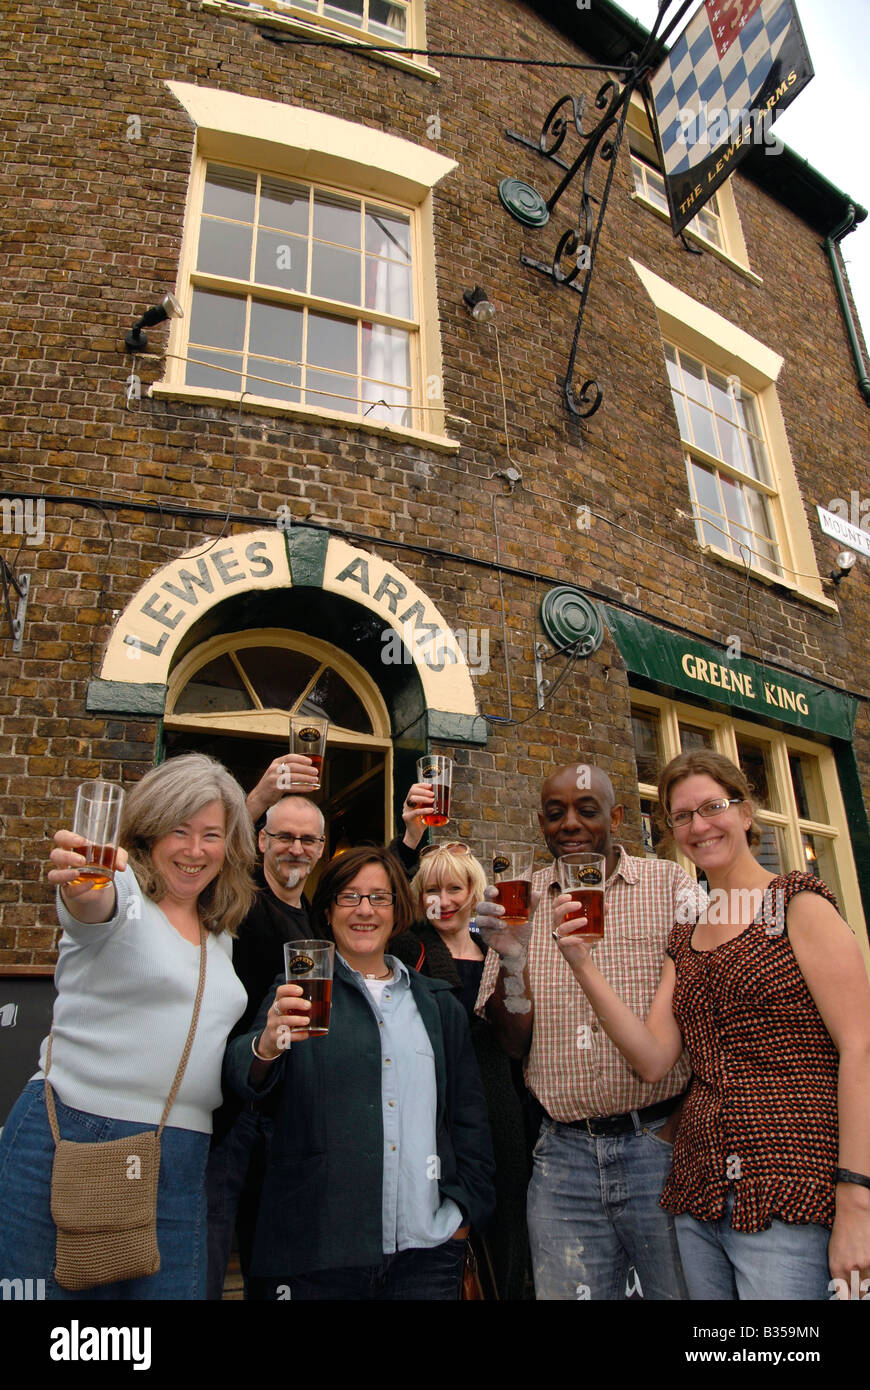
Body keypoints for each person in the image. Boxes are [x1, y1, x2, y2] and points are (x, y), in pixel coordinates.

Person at [551, 750, 870, 1301]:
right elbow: (653, 1059)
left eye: (712, 807)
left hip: (792, 1184)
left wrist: (858, 1198)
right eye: (681, 816)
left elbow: (860, 1049)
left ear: (745, 813)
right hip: (698, 1190)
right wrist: (582, 964)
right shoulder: (688, 931)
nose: (698, 826)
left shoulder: (797, 903)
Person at [0, 753, 256, 1300]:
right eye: (179, 831)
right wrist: (81, 888)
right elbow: (95, 904)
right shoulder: (124, 889)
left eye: (211, 835)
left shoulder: (219, 931)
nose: (195, 850)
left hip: (180, 1153)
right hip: (75, 1133)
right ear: (149, 831)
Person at [205, 756, 437, 1298]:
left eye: (308, 840)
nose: (296, 849)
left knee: (276, 1246)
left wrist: (410, 838)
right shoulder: (237, 897)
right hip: (232, 1105)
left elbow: (369, 895)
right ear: (260, 841)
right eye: (283, 837)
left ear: (321, 847)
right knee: (209, 1252)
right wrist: (258, 796)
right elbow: (212, 853)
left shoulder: (312, 917)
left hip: (292, 1108)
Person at [224, 845, 496, 1300]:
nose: (364, 910)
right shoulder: (298, 991)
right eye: (349, 897)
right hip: (319, 1250)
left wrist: (464, 1213)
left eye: (379, 898)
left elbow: (469, 1118)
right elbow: (241, 1077)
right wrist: (267, 1045)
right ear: (328, 912)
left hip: (426, 1251)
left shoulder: (437, 1003)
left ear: (397, 911)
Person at [476, 762, 699, 1301]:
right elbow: (512, 1043)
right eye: (556, 814)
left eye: (586, 810)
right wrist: (512, 959)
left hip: (660, 1147)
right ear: (541, 823)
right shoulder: (519, 898)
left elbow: (707, 1009)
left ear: (616, 818)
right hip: (563, 1159)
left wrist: (681, 1122)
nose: (570, 823)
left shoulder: (669, 884)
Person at [399, 842, 530, 1299]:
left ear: (474, 891)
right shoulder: (408, 949)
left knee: (506, 1220)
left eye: (454, 888)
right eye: (431, 890)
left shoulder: (495, 948)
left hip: (501, 1106)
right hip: (438, 1110)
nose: (444, 900)